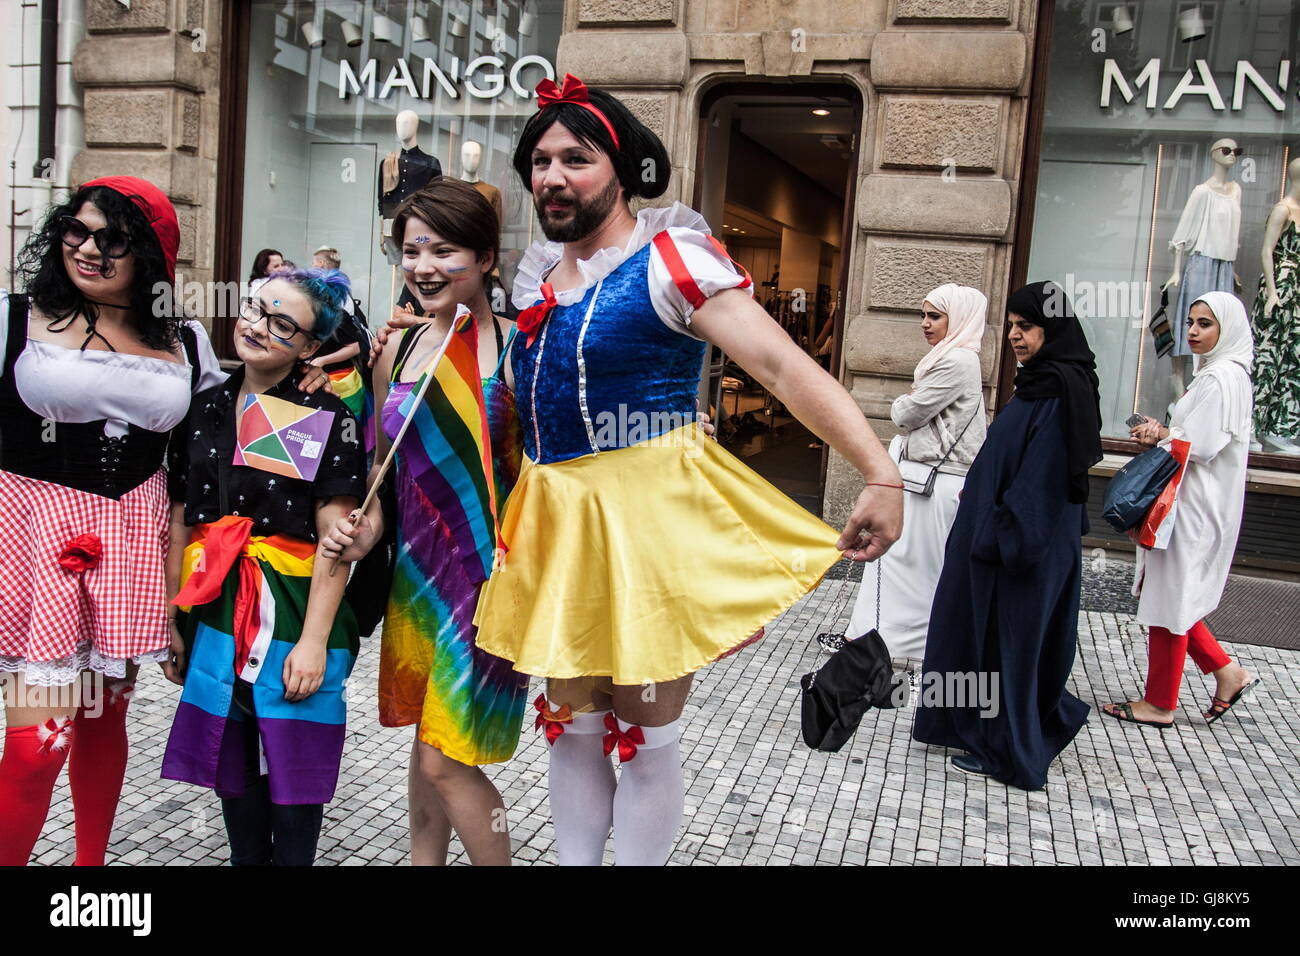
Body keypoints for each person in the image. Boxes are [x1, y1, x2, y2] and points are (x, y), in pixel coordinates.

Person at [467, 73, 903, 866]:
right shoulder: (539, 281)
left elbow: (777, 364)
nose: (553, 177)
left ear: (625, 168)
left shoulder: (673, 259)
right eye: (541, 161)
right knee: (570, 718)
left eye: (577, 158)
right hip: (556, 517)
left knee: (643, 727)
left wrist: (879, 471)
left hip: (648, 515)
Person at [0, 176, 225, 865]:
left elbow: (207, 453)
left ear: (150, 255)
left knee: (103, 722)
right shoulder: (17, 317)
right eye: (78, 229)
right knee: (37, 746)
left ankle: (88, 875)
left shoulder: (185, 338)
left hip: (134, 539)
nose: (89, 249)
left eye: (113, 238)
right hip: (35, 536)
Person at [320, 179, 529, 866]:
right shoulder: (397, 349)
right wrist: (365, 529)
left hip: (488, 582)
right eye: (412, 250)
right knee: (426, 744)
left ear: (486, 259)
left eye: (445, 250)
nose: (424, 266)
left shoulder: (520, 349)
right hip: (418, 582)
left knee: (447, 760)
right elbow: (383, 478)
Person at [159, 268, 366, 866]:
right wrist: (176, 616)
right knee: (233, 757)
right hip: (218, 600)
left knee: (294, 759)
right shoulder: (205, 407)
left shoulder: (327, 418)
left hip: (295, 606)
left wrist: (315, 642)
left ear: (308, 347)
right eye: (255, 308)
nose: (256, 326)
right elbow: (181, 518)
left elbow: (335, 539)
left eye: (282, 324)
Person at [913, 280, 1101, 791]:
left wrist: (1001, 536)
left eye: (1027, 326)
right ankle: (972, 724)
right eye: (1013, 326)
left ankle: (1009, 750)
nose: (1016, 336)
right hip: (1004, 534)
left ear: (1052, 328)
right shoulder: (1041, 380)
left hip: (1022, 545)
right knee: (979, 633)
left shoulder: (1061, 389)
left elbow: (1044, 477)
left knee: (1010, 642)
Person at [1103, 292, 1259, 728]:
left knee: (1170, 595)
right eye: (1190, 321)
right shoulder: (1222, 375)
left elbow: (1205, 446)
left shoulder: (1220, 378)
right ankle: (1229, 674)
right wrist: (1168, 432)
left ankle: (1160, 703)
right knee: (1173, 593)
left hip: (1193, 505)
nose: (1192, 331)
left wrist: (1161, 435)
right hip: (1197, 500)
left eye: (1204, 324)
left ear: (1226, 328)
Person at [831, 284, 988, 664]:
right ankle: (881, 641)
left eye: (935, 316)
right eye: (924, 315)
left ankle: (903, 649)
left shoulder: (957, 361)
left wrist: (905, 399)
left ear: (960, 318)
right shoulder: (949, 357)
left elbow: (905, 415)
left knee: (914, 568)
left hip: (935, 483)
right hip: (927, 480)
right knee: (902, 565)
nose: (925, 323)